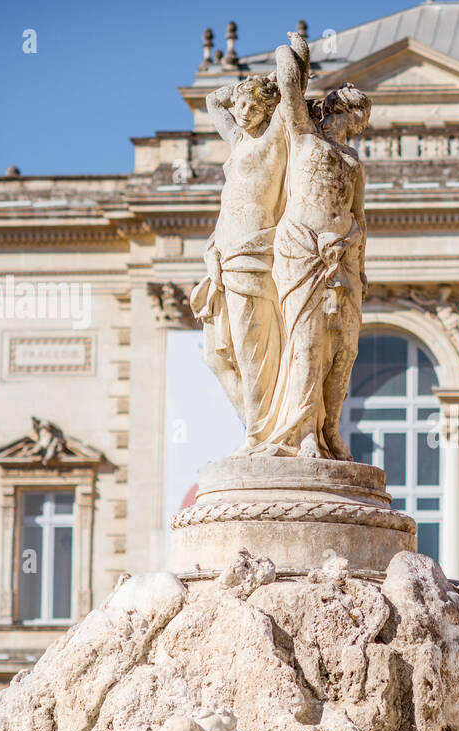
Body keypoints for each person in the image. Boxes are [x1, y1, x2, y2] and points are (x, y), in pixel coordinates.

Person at [257, 33, 371, 459]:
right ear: (342, 109)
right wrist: (298, 51)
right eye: (359, 111)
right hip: (302, 249)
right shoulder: (302, 135)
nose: (360, 120)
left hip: (345, 254)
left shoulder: (353, 161)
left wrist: (360, 265)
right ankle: (303, 429)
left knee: (345, 348)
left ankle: (330, 428)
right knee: (306, 340)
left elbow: (361, 216)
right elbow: (287, 78)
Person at [190, 72, 290, 452]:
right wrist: (247, 88)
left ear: (269, 109)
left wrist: (273, 84)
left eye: (253, 106)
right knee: (218, 355)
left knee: (251, 351)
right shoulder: (238, 140)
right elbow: (214, 101)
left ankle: (261, 435)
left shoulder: (273, 139)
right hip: (223, 254)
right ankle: (260, 426)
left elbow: (292, 86)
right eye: (242, 105)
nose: (244, 112)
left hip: (252, 252)